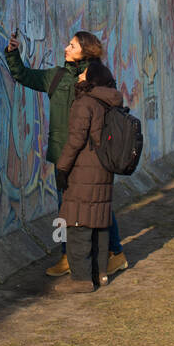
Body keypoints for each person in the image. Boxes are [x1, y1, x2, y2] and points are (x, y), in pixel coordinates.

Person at [4, 30, 128, 277]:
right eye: (68, 45)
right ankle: (67, 256)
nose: (66, 48)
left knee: (98, 205)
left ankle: (116, 253)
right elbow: (24, 75)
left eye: (72, 46)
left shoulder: (99, 77)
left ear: (86, 50)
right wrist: (12, 53)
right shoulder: (56, 77)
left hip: (93, 159)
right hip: (64, 157)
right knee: (64, 210)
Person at [52, 59, 124, 293]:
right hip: (104, 169)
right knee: (100, 222)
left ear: (92, 78)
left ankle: (81, 280)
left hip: (83, 170)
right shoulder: (111, 101)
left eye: (84, 73)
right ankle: (100, 274)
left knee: (78, 224)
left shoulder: (85, 103)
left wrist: (62, 168)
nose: (80, 76)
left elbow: (75, 141)